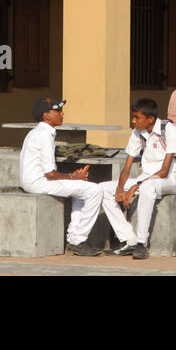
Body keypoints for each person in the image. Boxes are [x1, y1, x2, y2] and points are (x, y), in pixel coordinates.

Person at [99, 99, 176, 260]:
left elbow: (164, 171)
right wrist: (120, 189)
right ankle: (128, 239)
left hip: (169, 180)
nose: (133, 121)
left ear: (150, 119)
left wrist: (136, 186)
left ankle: (141, 243)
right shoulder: (137, 133)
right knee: (103, 189)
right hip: (145, 179)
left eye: (136, 117)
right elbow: (127, 167)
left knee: (147, 188)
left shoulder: (170, 130)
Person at [19, 97, 104, 257]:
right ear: (46, 115)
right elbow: (50, 173)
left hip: (32, 181)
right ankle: (77, 241)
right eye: (57, 110)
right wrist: (72, 177)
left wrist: (72, 177)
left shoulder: (37, 132)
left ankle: (74, 236)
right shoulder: (44, 134)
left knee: (82, 192)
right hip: (39, 183)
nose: (62, 113)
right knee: (95, 190)